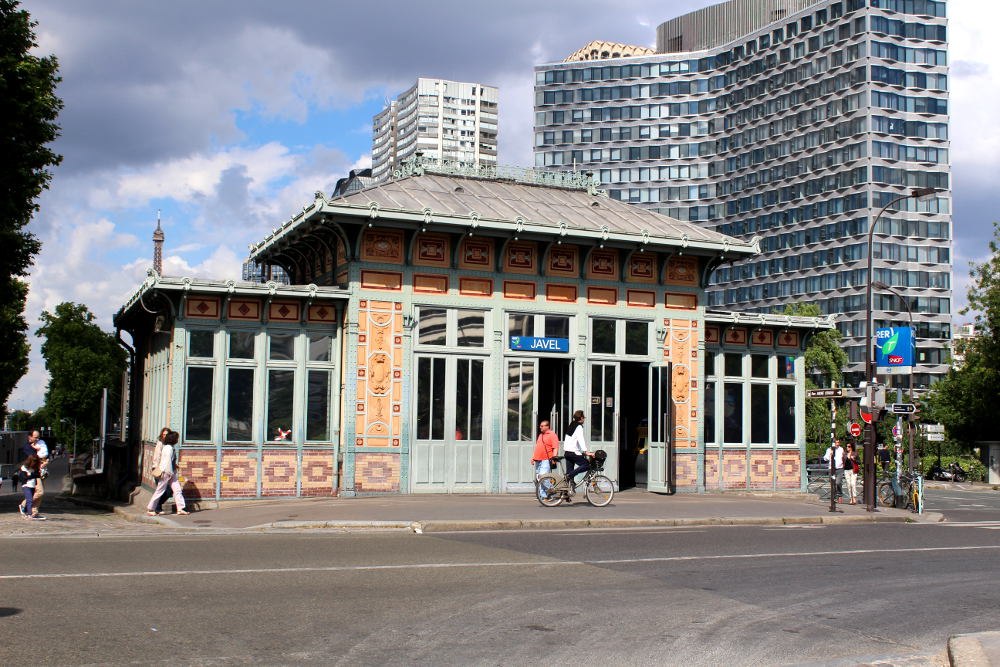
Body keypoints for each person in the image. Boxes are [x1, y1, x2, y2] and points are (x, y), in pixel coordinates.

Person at [147, 430, 190, 516]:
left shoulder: (169, 447)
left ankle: (181, 508)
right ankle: (151, 508)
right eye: (176, 438)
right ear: (173, 439)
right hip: (167, 472)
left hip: (170, 472)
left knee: (177, 490)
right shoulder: (168, 448)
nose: (177, 440)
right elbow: (166, 461)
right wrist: (167, 472)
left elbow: (169, 461)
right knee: (160, 490)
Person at [562, 410, 591, 494]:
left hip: (567, 452)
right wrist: (585, 451)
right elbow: (580, 439)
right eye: (584, 417)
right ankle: (569, 476)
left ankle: (565, 495)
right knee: (587, 465)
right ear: (581, 418)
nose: (584, 419)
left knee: (570, 478)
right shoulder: (578, 426)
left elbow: (571, 439)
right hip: (573, 452)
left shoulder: (572, 424)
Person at [23, 430, 49, 517]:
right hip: (33, 473)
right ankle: (24, 505)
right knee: (40, 492)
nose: (37, 439)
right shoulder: (27, 447)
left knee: (39, 493)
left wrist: (46, 461)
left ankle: (34, 511)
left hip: (40, 472)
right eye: (35, 437)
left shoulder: (41, 444)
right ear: (30, 437)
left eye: (38, 437)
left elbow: (46, 455)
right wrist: (41, 460)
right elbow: (33, 459)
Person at [151, 427, 173, 514]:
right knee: (162, 490)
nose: (164, 436)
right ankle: (155, 508)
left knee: (169, 491)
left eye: (166, 435)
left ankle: (157, 506)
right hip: (160, 470)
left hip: (167, 471)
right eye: (163, 434)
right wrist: (156, 468)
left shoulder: (170, 445)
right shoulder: (160, 443)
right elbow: (157, 457)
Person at [18, 454, 46, 520]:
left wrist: (42, 473)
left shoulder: (35, 468)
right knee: (29, 499)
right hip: (26, 485)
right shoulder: (24, 467)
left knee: (30, 499)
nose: (34, 463)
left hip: (33, 485)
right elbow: (24, 477)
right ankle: (30, 514)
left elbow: (38, 475)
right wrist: (32, 475)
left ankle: (25, 511)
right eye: (34, 461)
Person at [823, 438, 846, 503]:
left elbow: (843, 457)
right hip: (832, 469)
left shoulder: (841, 449)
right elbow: (825, 458)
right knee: (832, 484)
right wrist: (830, 454)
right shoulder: (829, 449)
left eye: (838, 442)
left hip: (840, 468)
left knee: (838, 482)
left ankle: (840, 495)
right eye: (836, 442)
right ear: (833, 443)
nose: (837, 444)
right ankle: (835, 497)